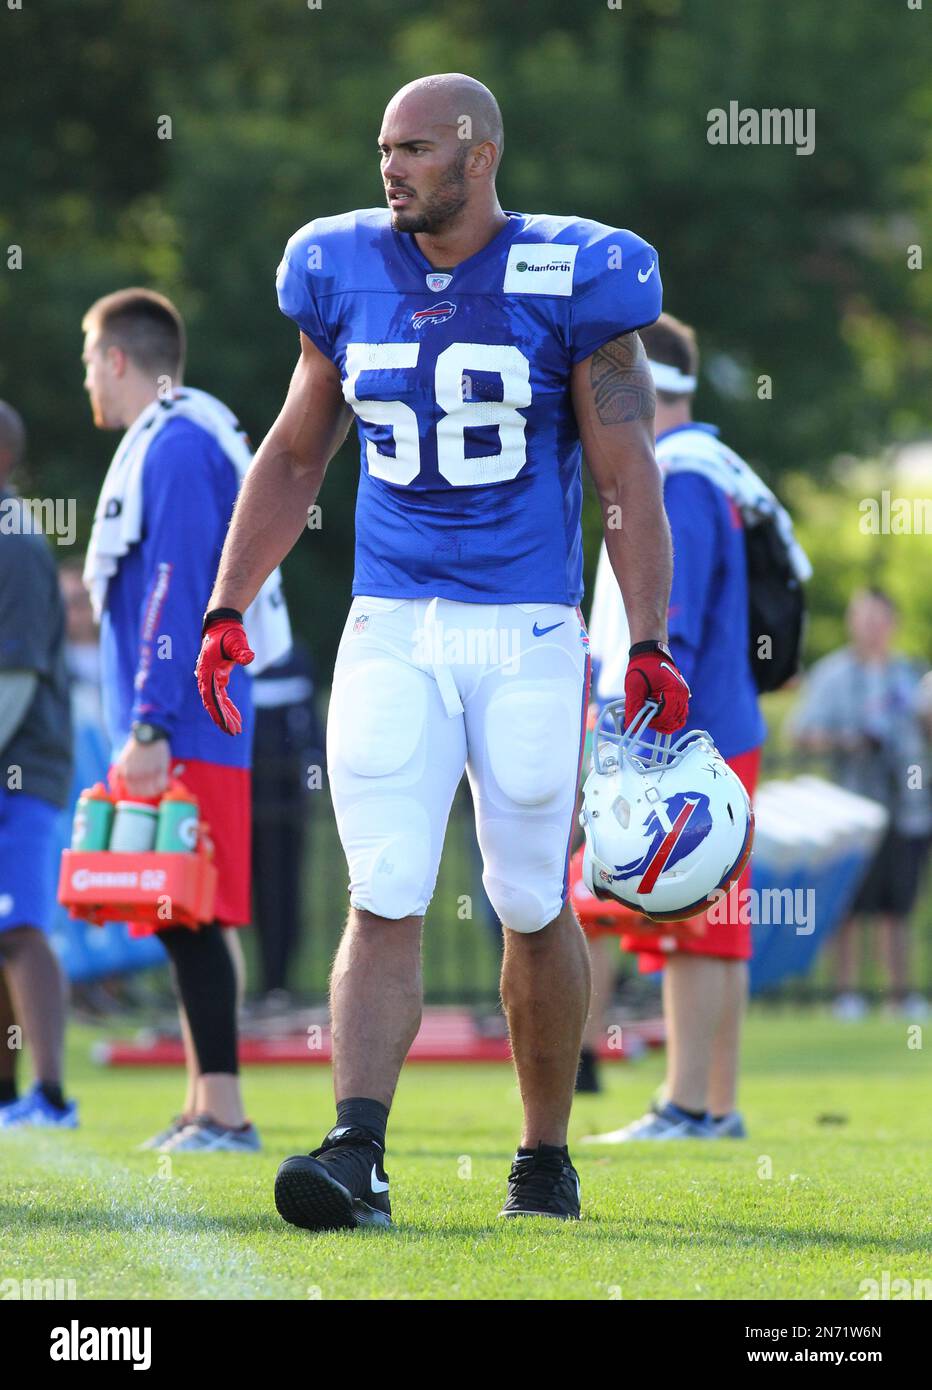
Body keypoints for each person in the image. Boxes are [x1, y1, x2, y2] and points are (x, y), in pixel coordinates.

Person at [196, 72, 690, 1227]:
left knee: (525, 895)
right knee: (383, 887)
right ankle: (355, 1150)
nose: (391, 167)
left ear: (477, 155)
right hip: (390, 621)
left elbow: (626, 475)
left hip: (523, 627)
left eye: (415, 148)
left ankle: (541, 1156)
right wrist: (227, 605)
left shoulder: (572, 271)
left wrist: (650, 639)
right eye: (384, 147)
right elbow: (292, 454)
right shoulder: (340, 266)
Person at [81, 288, 290, 1151]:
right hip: (187, 716)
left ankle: (227, 1112)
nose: (86, 377)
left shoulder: (174, 447)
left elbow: (175, 591)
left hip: (188, 719)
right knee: (180, 911)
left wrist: (152, 723)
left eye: (89, 359)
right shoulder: (172, 439)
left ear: (121, 360)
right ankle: (206, 1102)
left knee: (192, 911)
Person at [581, 314, 766, 1141]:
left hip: (690, 731)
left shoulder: (681, 476)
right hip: (719, 724)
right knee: (716, 928)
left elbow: (672, 622)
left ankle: (691, 1104)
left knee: (698, 927)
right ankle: (712, 1104)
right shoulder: (712, 469)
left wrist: (643, 737)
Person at [789, 588, 930, 1018]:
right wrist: (846, 741)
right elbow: (800, 733)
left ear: (891, 625)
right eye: (862, 618)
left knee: (897, 907)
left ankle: (899, 995)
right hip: (850, 812)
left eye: (878, 619)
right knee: (847, 905)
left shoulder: (909, 674)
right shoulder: (832, 675)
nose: (870, 628)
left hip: (906, 807)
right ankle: (845, 995)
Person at [0, 401, 76, 1128]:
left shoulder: (14, 539)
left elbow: (15, 678)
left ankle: (50, 1095)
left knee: (20, 926)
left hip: (20, 766)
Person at [250, 638, 323, 1001]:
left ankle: (277, 983)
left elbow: (310, 729)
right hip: (241, 790)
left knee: (282, 888)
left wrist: (313, 779)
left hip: (284, 794)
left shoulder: (294, 659)